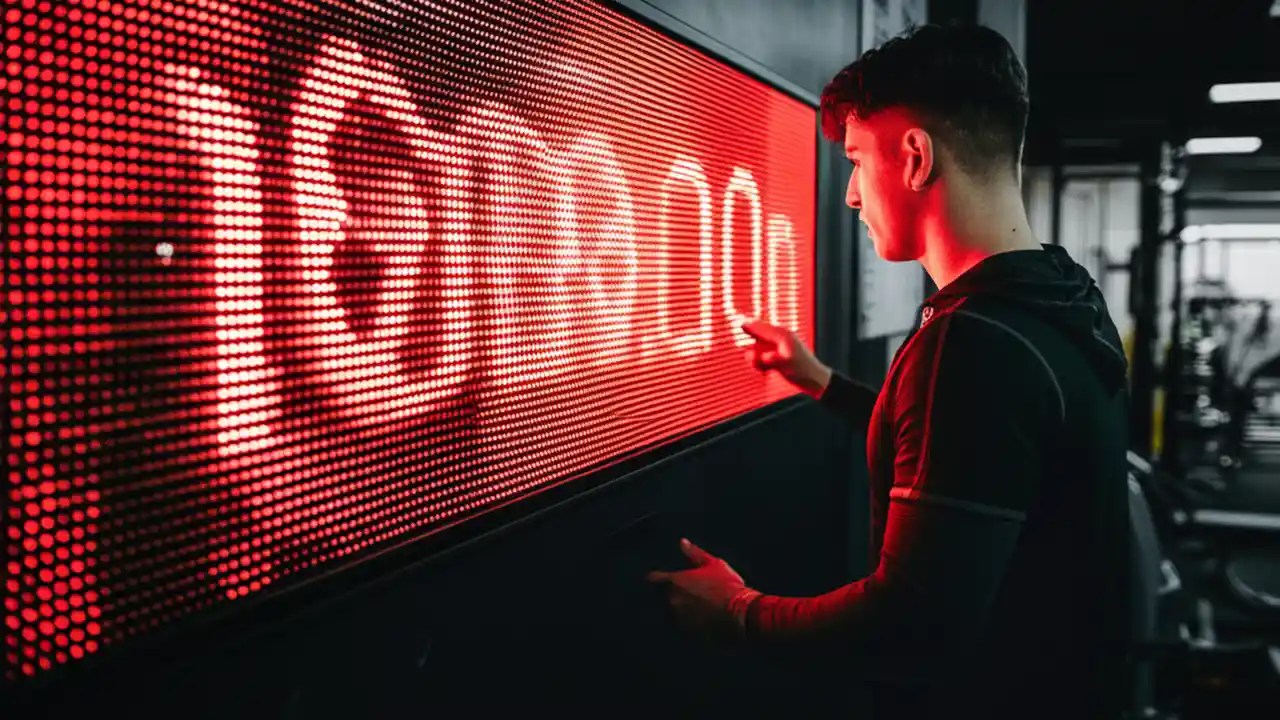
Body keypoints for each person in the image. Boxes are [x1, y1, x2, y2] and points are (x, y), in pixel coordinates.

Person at [646, 22, 1131, 719]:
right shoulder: (1056, 298)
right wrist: (822, 382)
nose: (849, 195)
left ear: (912, 156)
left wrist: (740, 614)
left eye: (855, 158)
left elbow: (912, 624)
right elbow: (975, 457)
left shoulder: (974, 342)